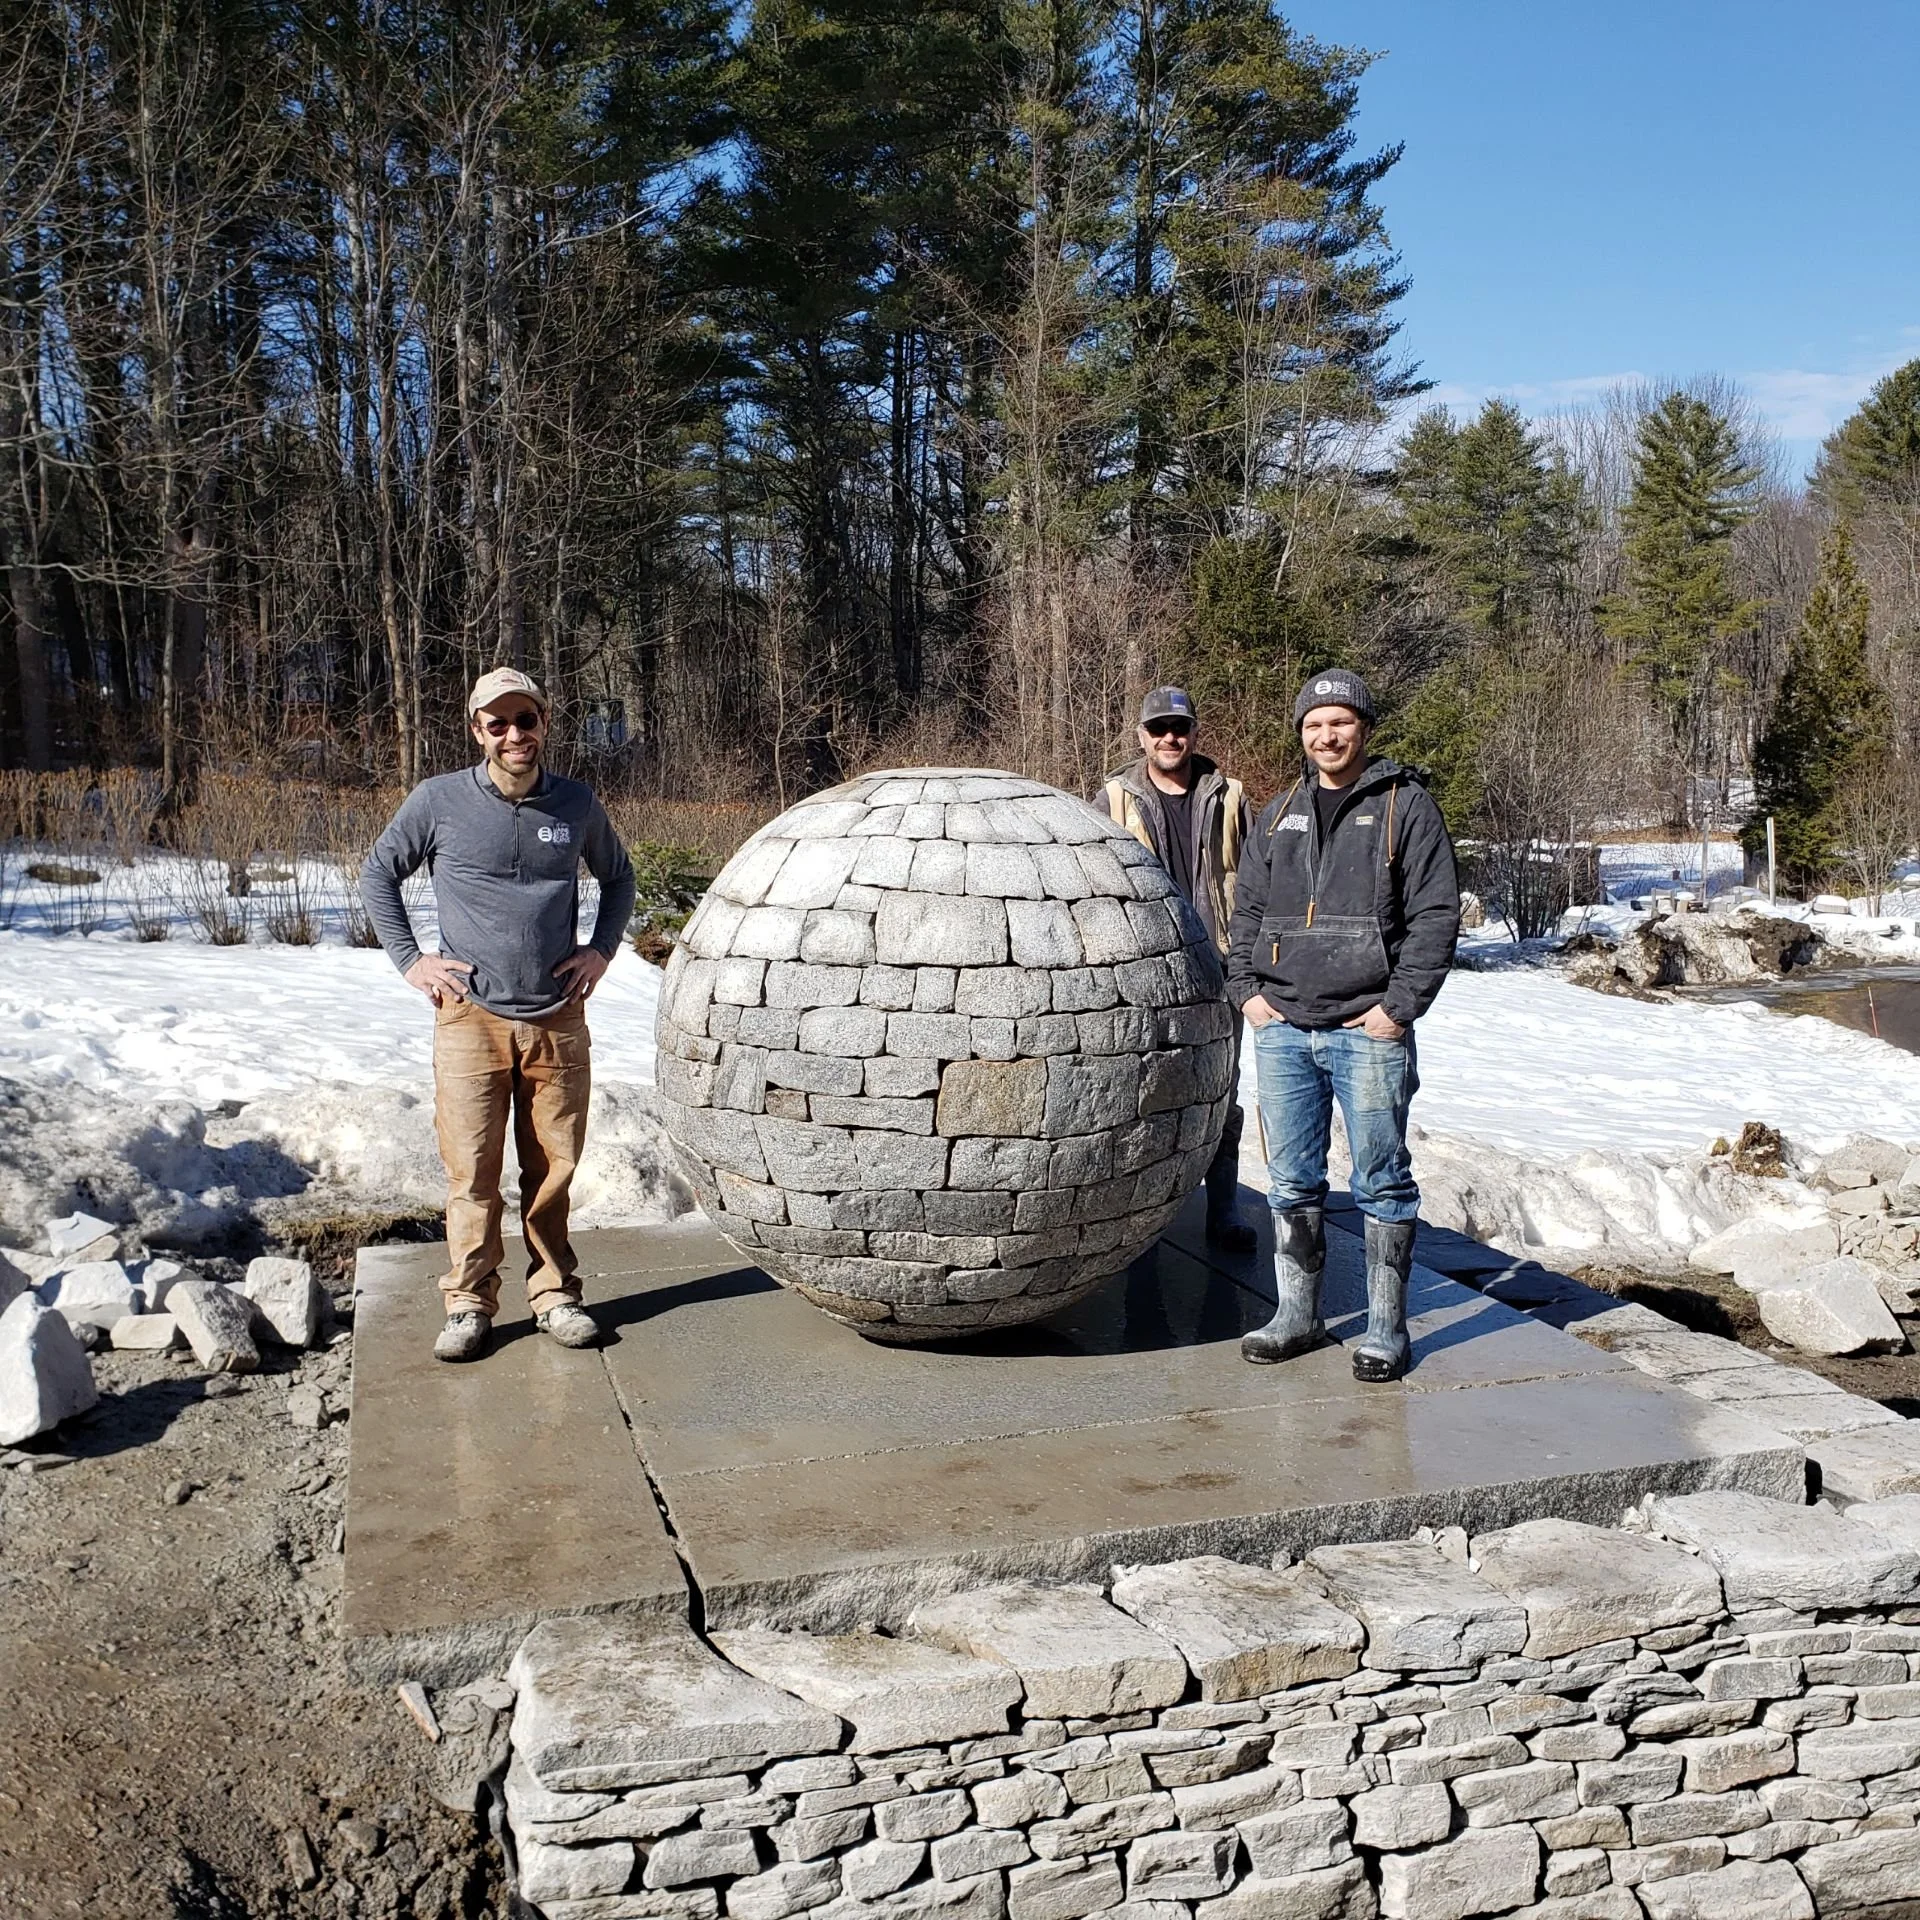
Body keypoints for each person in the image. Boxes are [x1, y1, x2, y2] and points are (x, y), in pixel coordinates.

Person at [361, 668, 637, 1363]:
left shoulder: (574, 802)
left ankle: (555, 1295)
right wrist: (412, 960)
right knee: (473, 1172)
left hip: (557, 1017)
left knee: (553, 1168)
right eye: (499, 723)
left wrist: (600, 951)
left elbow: (620, 876)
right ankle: (468, 1304)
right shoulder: (439, 801)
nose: (515, 734)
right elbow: (378, 873)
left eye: (526, 720)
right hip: (469, 1017)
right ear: (477, 728)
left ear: (544, 722)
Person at [1226, 668, 1460, 1381]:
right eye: (1314, 725)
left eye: (1340, 722)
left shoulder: (1404, 806)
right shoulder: (1281, 809)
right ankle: (1298, 1313)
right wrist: (1246, 992)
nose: (1327, 736)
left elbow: (1435, 915)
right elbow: (1247, 909)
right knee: (1290, 1180)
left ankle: (1387, 1327)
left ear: (1363, 727)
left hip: (1368, 1032)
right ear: (1302, 734)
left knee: (1382, 1181)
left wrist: (1398, 1009)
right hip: (1284, 1029)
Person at [1101, 685, 1257, 1251]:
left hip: (1218, 967)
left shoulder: (1230, 795)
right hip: (1146, 976)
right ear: (1141, 735)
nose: (1171, 737)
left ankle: (1225, 1208)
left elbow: (1258, 878)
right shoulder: (1113, 798)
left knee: (1221, 1089)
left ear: (1194, 732)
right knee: (1145, 1094)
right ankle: (1145, 1217)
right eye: (1159, 728)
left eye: (1180, 727)